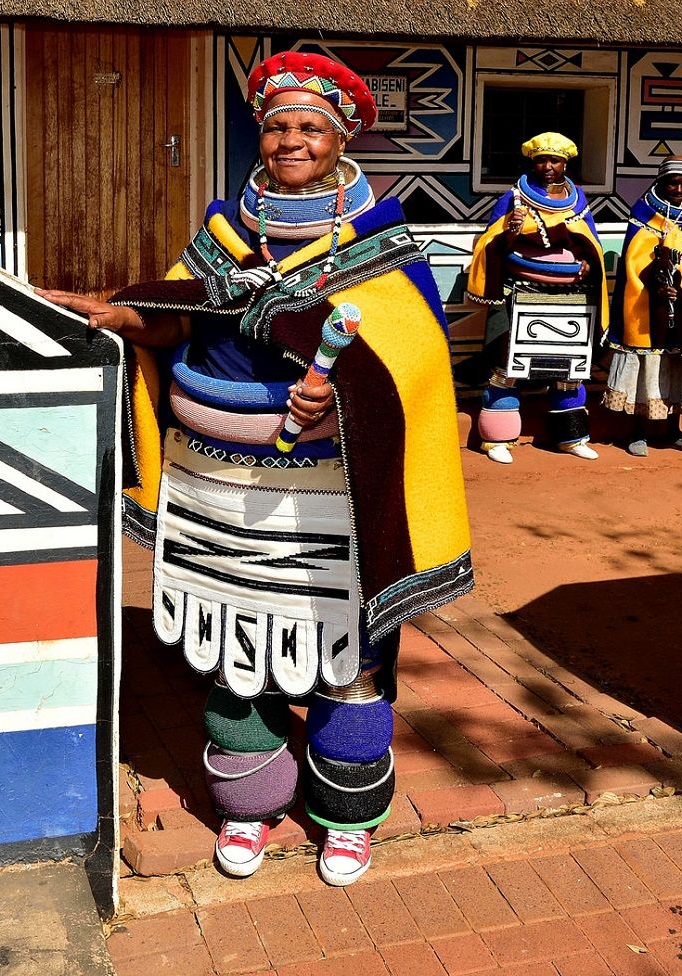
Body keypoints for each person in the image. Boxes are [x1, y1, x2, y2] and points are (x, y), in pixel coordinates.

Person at [40, 50, 471, 888]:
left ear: (341, 139)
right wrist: (123, 316)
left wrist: (342, 390)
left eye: (311, 127)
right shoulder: (226, 233)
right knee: (236, 657)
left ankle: (347, 819)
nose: (291, 141)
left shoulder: (383, 244)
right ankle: (249, 806)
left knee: (350, 662)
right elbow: (179, 317)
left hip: (331, 500)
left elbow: (411, 360)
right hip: (218, 490)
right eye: (278, 127)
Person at [464, 132, 608, 463]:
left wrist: (588, 261)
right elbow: (491, 243)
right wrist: (512, 230)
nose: (547, 167)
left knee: (569, 368)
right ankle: (498, 438)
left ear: (565, 164)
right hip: (519, 289)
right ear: (533, 162)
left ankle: (570, 437)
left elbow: (589, 239)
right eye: (541, 160)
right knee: (508, 366)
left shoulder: (578, 199)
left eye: (554, 161)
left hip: (569, 293)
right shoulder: (513, 198)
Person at [601, 157, 682, 455]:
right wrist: (657, 285)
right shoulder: (643, 214)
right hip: (647, 308)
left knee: (678, 362)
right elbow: (634, 262)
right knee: (647, 367)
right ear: (660, 182)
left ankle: (673, 430)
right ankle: (638, 432)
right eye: (672, 183)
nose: (679, 190)